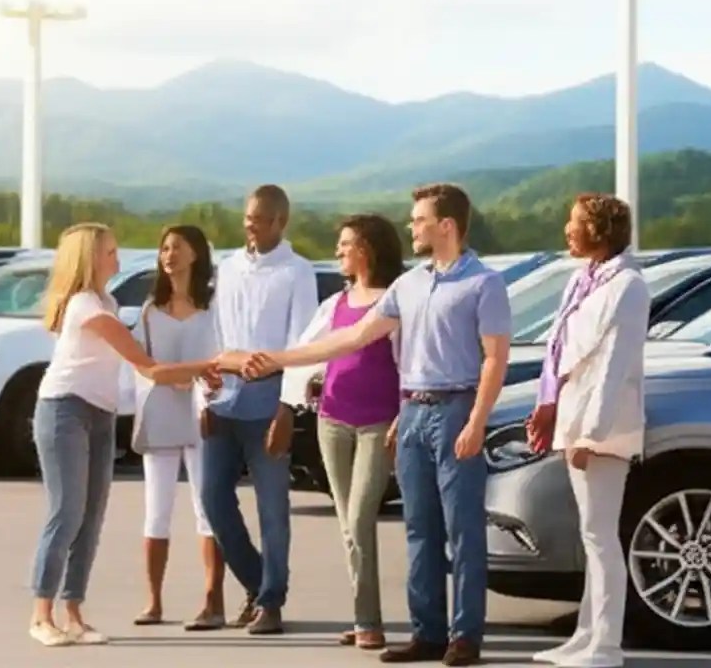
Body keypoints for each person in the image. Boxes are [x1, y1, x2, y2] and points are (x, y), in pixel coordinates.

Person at [246, 183, 510, 667]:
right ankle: (427, 632)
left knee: (462, 529)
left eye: (419, 220)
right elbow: (351, 337)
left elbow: (495, 358)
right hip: (410, 412)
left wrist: (477, 420)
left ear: (446, 226)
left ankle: (465, 636)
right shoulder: (406, 287)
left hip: (456, 410)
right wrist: (277, 360)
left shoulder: (484, 284)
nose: (411, 227)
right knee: (419, 528)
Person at [28, 222, 222, 647]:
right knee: (66, 514)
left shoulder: (108, 300)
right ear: (90, 258)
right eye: (111, 251)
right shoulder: (84, 306)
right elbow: (149, 367)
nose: (119, 258)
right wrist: (217, 365)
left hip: (99, 414)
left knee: (91, 516)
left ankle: (74, 613)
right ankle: (42, 615)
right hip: (64, 410)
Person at [527, 194, 649, 668]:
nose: (566, 229)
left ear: (598, 230)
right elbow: (559, 350)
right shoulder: (583, 280)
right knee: (590, 533)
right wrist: (549, 407)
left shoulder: (628, 286)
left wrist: (590, 435)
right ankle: (584, 636)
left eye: (574, 222)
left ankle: (607, 646)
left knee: (601, 536)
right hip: (576, 419)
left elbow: (615, 365)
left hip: (604, 428)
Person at [279, 214, 404, 650]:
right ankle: (364, 617)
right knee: (347, 525)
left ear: (367, 249)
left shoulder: (394, 302)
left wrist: (402, 417)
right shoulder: (336, 303)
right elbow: (311, 349)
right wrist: (305, 383)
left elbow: (409, 366)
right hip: (331, 420)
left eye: (346, 244)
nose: (338, 252)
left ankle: (370, 620)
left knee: (359, 516)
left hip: (378, 424)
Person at [201, 184, 319, 635]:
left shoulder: (297, 272)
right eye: (247, 216)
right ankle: (256, 582)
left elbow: (302, 347)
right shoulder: (228, 269)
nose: (250, 224)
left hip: (270, 402)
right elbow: (213, 337)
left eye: (259, 218)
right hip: (224, 400)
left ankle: (271, 601)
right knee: (213, 497)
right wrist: (205, 396)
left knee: (273, 508)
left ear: (279, 222)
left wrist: (287, 410)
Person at [130, 225, 231, 631]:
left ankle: (213, 601)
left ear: (196, 254)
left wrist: (208, 382)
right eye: (164, 248)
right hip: (160, 414)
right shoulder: (150, 310)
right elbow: (141, 364)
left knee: (207, 509)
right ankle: (153, 601)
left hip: (204, 414)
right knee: (157, 510)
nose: (169, 254)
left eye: (178, 247)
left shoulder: (215, 307)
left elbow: (224, 360)